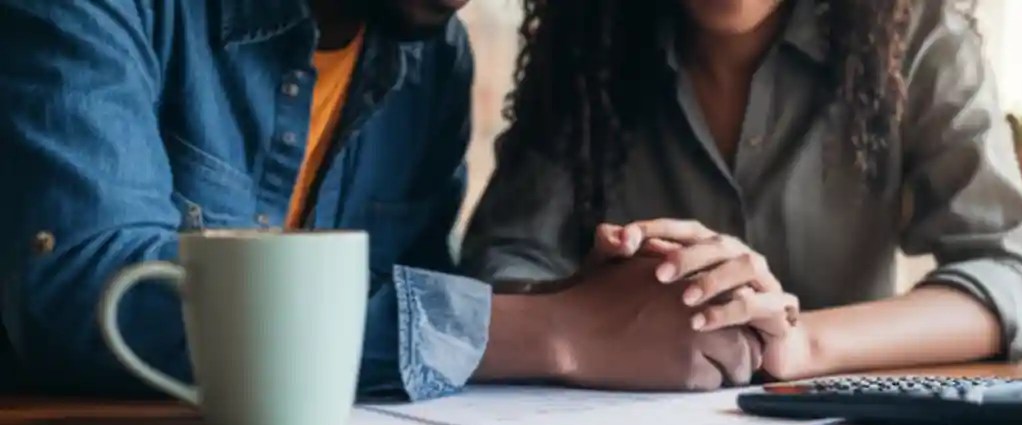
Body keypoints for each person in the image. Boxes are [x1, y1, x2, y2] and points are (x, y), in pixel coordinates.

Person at [0, 0, 760, 399]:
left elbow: (402, 298)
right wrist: (559, 330)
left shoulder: (430, 57)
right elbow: (80, 283)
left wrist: (597, 298)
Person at [464, 0, 1022, 381]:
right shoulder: (585, 35)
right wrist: (585, 301)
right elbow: (500, 263)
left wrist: (803, 345)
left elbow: (1011, 275)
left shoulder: (917, 33)